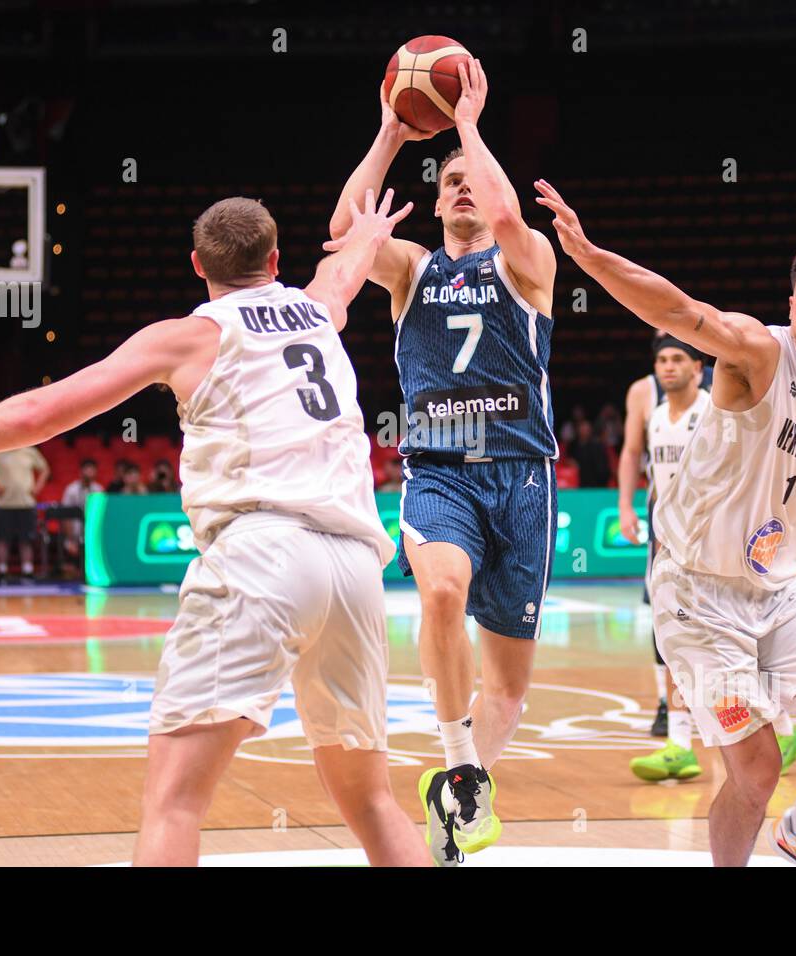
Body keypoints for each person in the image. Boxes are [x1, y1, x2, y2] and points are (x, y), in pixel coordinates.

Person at [0, 188, 429, 867]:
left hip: (264, 553)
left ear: (197, 265)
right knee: (373, 801)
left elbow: (39, 413)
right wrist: (370, 220)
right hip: (355, 565)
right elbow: (345, 268)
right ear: (274, 258)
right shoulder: (318, 312)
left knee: (175, 802)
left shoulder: (186, 337)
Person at [538, 179, 796, 867]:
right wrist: (589, 255)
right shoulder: (757, 351)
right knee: (754, 770)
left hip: (779, 591)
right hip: (696, 592)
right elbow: (680, 309)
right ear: (791, 303)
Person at [329, 60, 558, 864]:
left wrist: (466, 124)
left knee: (510, 687)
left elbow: (504, 210)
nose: (464, 188)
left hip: (524, 479)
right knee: (444, 592)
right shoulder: (414, 268)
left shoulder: (526, 265)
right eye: (450, 181)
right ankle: (460, 766)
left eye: (472, 179)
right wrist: (395, 130)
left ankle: (458, 797)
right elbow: (345, 230)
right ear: (432, 201)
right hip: (441, 470)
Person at [625, 337, 796, 783]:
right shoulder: (653, 414)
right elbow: (639, 462)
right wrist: (627, 507)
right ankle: (679, 742)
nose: (668, 367)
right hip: (667, 536)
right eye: (662, 360)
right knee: (668, 638)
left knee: (734, 641)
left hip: (712, 540)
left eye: (677, 360)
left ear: (697, 368)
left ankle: (781, 728)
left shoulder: (716, 409)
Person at [0, 445, 49, 581]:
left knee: (26, 539)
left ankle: (27, 570)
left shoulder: (30, 452)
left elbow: (45, 469)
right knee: (2, 539)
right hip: (4, 504)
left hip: (26, 504)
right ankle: (2, 570)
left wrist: (37, 487)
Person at [60, 458, 103, 563]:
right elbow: (66, 515)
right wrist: (70, 539)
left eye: (92, 470)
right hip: (74, 530)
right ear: (81, 472)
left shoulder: (98, 489)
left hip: (93, 530)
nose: (90, 473)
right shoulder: (71, 489)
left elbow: (101, 515)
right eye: (87, 470)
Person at [570, 418, 610, 487]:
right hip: (580, 483)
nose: (584, 430)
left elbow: (602, 469)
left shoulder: (596, 446)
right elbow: (568, 460)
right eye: (582, 428)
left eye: (586, 429)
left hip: (596, 483)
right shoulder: (573, 445)